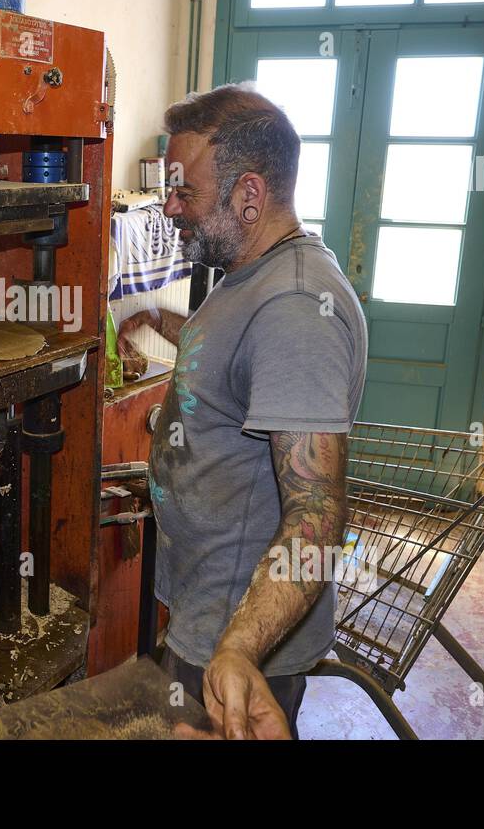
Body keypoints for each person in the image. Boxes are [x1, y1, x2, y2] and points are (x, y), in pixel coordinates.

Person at [128, 84, 368, 739]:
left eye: (185, 192)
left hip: (238, 637)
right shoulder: (254, 274)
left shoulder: (294, 309)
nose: (169, 207)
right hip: (210, 609)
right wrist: (161, 321)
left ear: (249, 196)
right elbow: (236, 366)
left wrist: (238, 650)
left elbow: (318, 516)